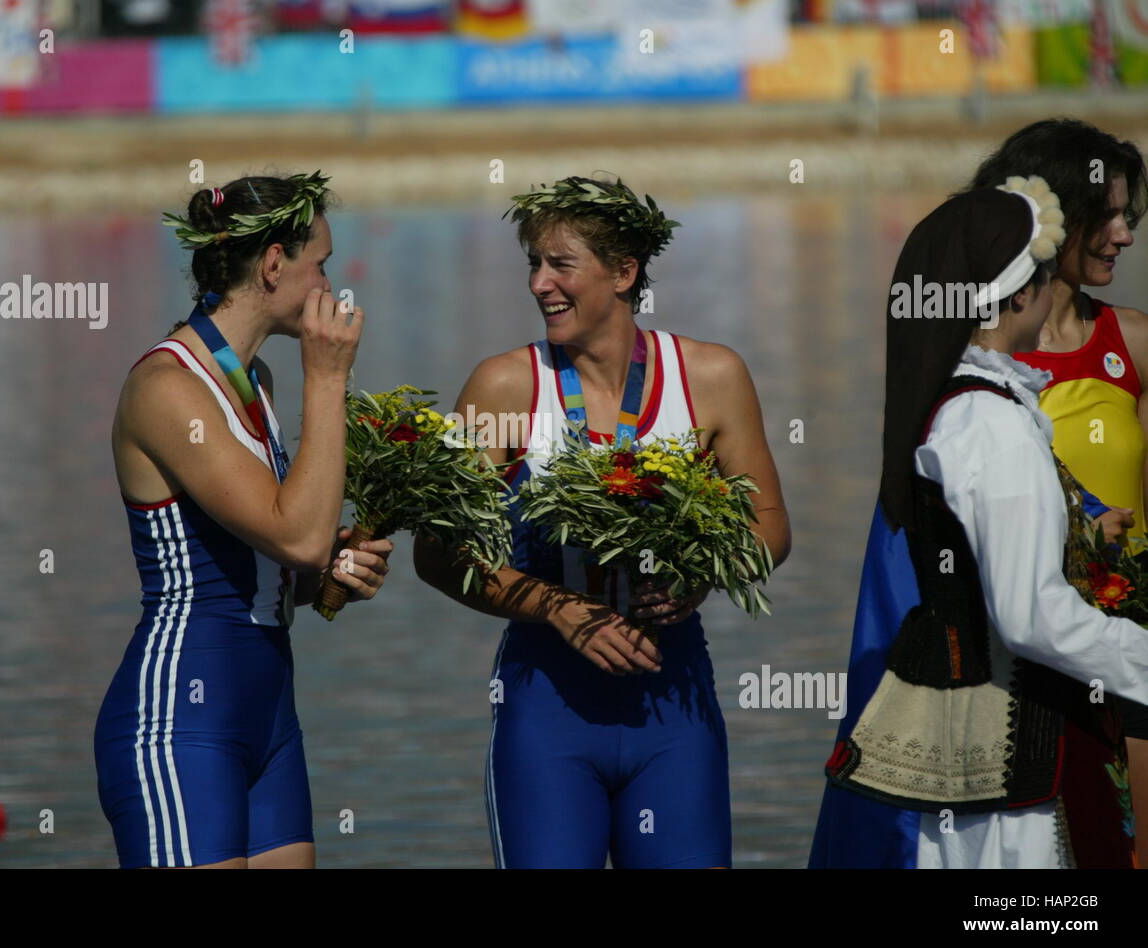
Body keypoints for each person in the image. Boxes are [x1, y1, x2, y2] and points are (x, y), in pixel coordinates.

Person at [414, 175, 790, 868]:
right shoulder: (503, 387)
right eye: (533, 263)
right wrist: (555, 605)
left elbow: (769, 528)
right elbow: (437, 553)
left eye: (560, 264)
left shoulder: (712, 375)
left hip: (671, 704)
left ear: (624, 273)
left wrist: (699, 576)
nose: (538, 284)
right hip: (548, 708)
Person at [817, 176, 1148, 867]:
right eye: (1046, 275)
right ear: (1020, 294)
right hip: (1012, 764)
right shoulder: (990, 422)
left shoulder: (960, 402)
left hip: (978, 752)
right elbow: (1030, 615)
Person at [93, 173, 393, 869]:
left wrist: (329, 570)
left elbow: (282, 552)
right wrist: (328, 376)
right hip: (179, 722)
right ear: (273, 264)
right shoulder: (165, 387)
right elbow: (298, 532)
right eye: (320, 262)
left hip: (269, 718)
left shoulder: (255, 382)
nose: (331, 281)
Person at [964, 120, 1148, 866]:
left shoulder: (1134, 339)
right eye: (1106, 216)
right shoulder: (978, 359)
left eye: (1128, 217)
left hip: (1130, 635)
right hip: (1025, 659)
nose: (1124, 236)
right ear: (1054, 221)